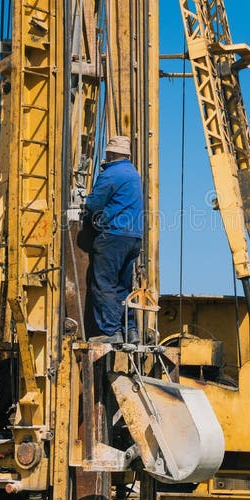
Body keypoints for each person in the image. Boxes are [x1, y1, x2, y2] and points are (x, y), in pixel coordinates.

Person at [84, 135, 143, 344]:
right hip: (134, 238)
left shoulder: (111, 174)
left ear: (109, 153)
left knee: (103, 284)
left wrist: (87, 207)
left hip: (114, 236)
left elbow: (94, 204)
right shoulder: (133, 174)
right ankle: (130, 330)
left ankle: (110, 333)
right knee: (122, 287)